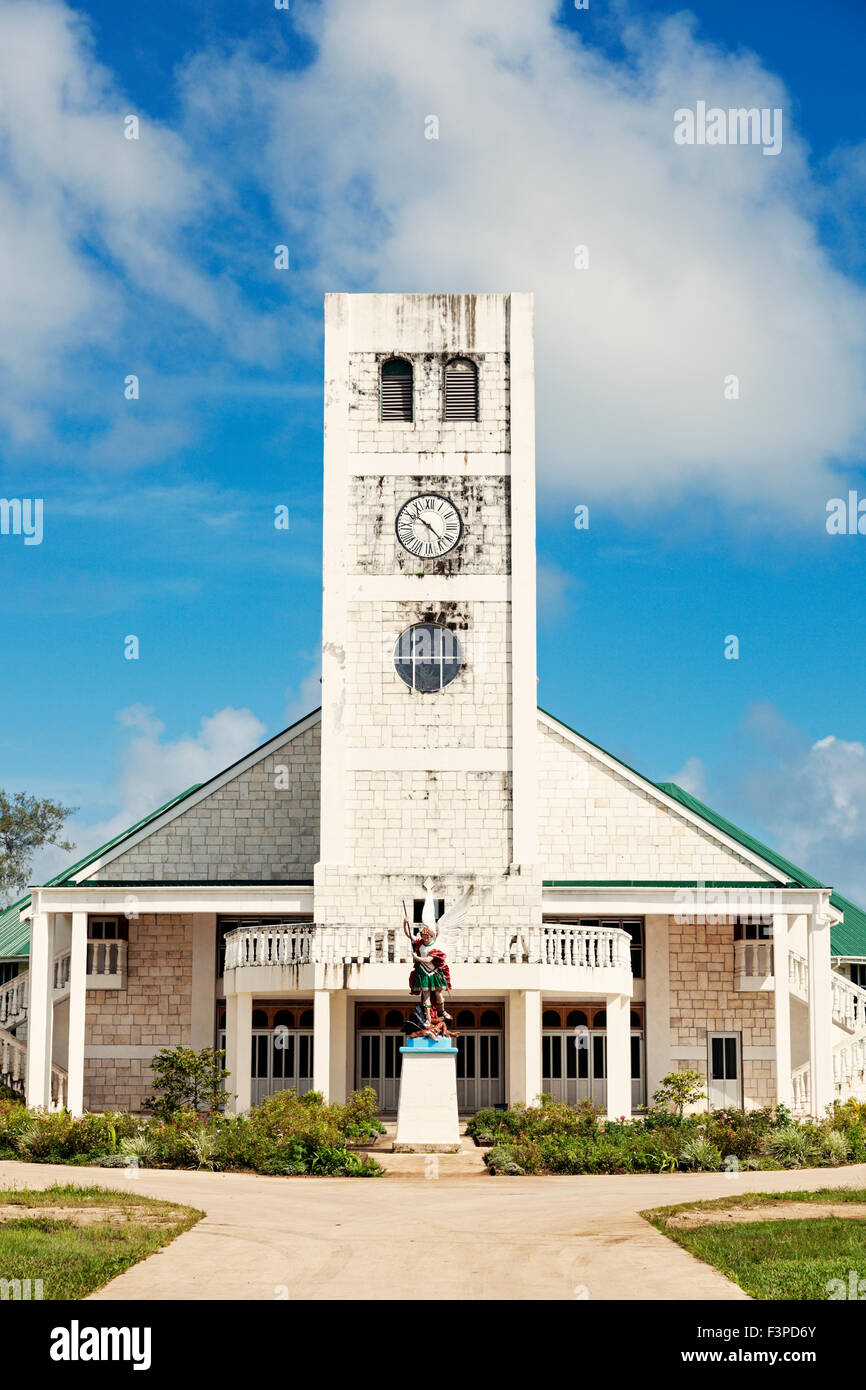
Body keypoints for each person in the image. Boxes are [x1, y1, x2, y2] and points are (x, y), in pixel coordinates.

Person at [404, 917, 452, 1027]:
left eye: (427, 937)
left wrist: (417, 958)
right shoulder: (421, 943)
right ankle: (428, 1018)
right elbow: (409, 935)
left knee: (438, 994)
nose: (425, 939)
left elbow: (428, 959)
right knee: (426, 997)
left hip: (433, 972)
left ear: (431, 936)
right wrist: (405, 923)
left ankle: (442, 1011)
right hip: (424, 973)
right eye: (423, 937)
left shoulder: (434, 946)